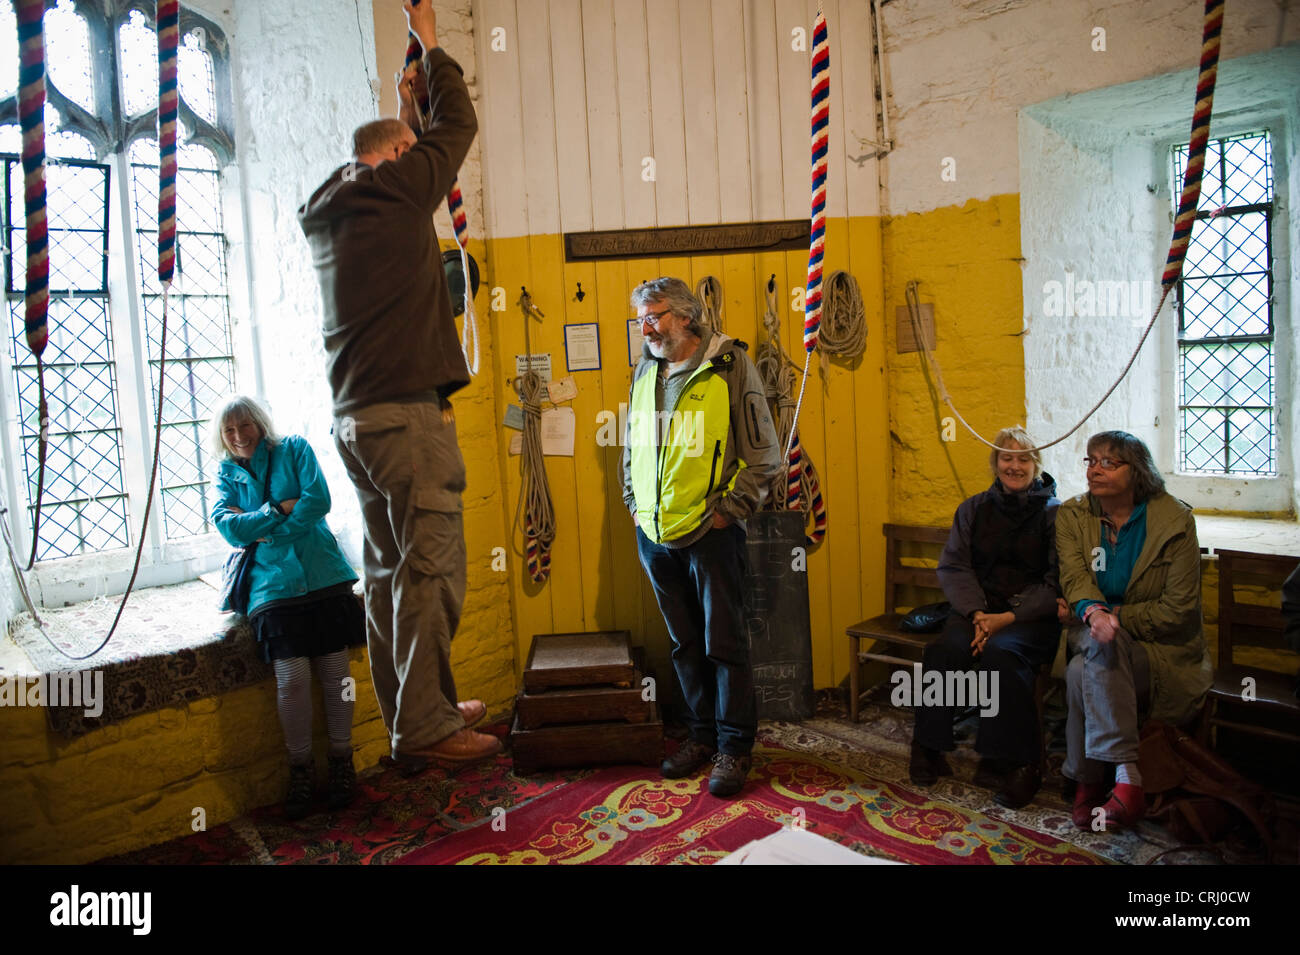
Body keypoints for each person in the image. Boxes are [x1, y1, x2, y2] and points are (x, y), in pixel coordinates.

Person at [297, 0, 497, 770]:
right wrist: (432, 42)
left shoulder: (331, 205)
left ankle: (419, 711)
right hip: (407, 420)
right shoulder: (392, 190)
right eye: (411, 153)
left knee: (388, 573)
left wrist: (404, 108)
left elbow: (406, 146)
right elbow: (458, 129)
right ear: (398, 156)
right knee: (434, 568)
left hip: (358, 422)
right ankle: (426, 729)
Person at [622, 277, 781, 798]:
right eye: (641, 318)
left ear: (686, 316)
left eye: (656, 315)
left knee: (724, 644)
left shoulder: (731, 366)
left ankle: (734, 748)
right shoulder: (645, 370)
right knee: (684, 644)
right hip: (655, 532)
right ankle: (699, 737)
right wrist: (633, 501)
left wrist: (727, 513)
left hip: (710, 533)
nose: (646, 327)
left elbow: (762, 456)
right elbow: (633, 446)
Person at [212, 396, 364, 819]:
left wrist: (264, 528)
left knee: (336, 673)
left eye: (245, 426)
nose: (239, 436)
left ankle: (341, 760)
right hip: (272, 587)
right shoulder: (226, 475)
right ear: (222, 437)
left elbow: (318, 501)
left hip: (322, 574)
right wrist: (280, 508)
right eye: (229, 430)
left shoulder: (294, 448)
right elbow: (228, 527)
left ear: (260, 423)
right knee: (292, 679)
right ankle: (299, 767)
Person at [1057, 431, 1211, 829]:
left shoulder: (1174, 521)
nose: (1095, 470)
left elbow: (1177, 611)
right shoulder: (1073, 515)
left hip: (1159, 650)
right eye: (1091, 461)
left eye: (1109, 462)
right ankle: (1128, 779)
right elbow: (1075, 579)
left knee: (1081, 670)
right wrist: (1093, 613)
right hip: (1094, 633)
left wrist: (1115, 617)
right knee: (1099, 647)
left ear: (1137, 470)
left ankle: (1087, 781)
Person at [908, 427, 1063, 809]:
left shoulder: (1056, 514)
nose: (1014, 465)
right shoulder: (973, 509)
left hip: (1029, 618)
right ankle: (928, 746)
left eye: (1023, 458)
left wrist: (1007, 618)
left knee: (1003, 656)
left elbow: (1056, 580)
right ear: (995, 464)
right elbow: (955, 567)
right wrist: (978, 614)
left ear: (1037, 464)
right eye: (1006, 458)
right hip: (977, 609)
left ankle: (1016, 760)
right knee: (946, 650)